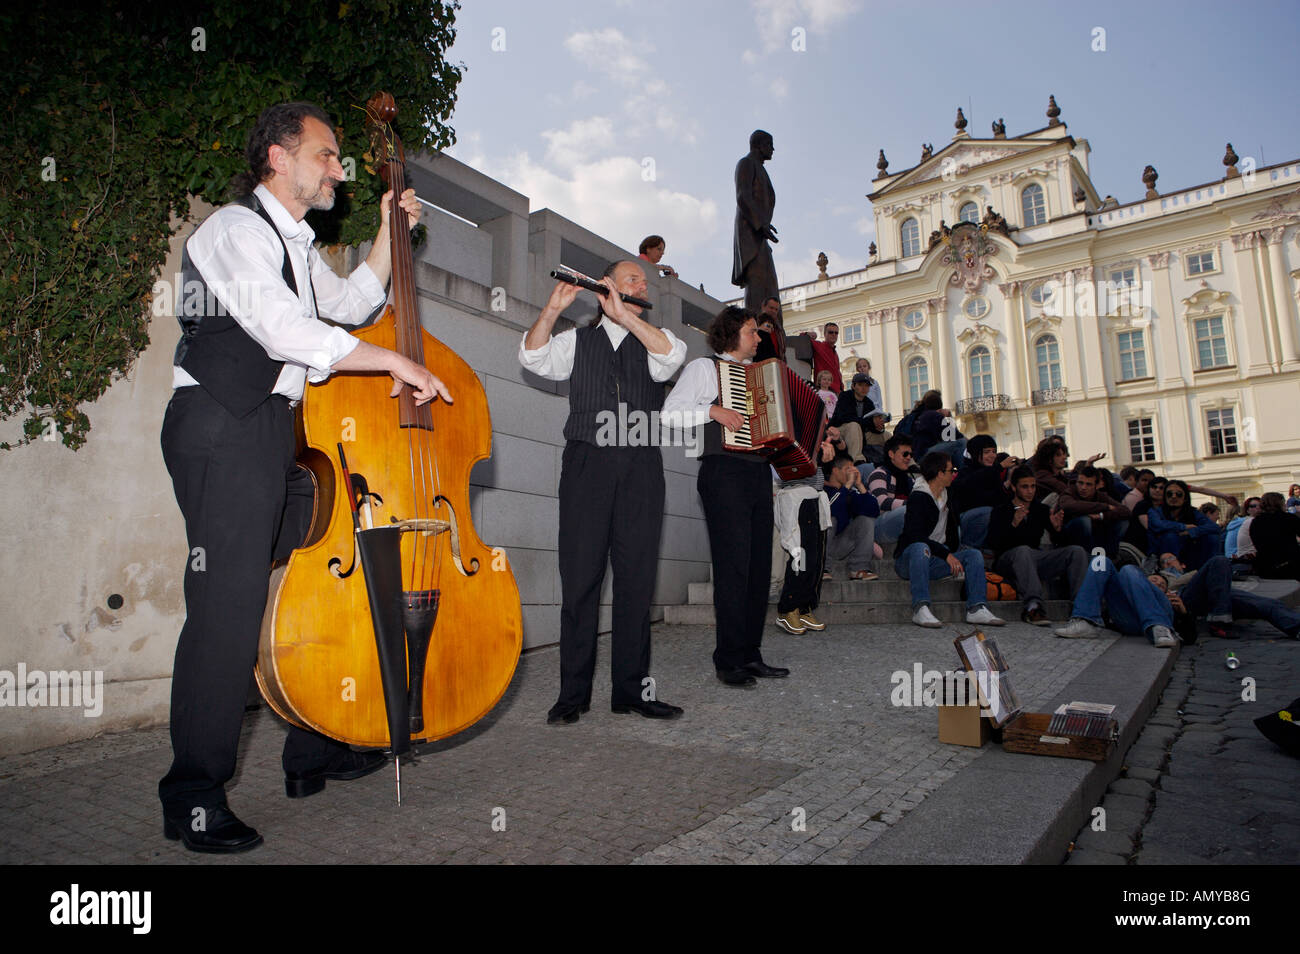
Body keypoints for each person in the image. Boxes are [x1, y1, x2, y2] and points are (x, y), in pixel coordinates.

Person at [159, 102, 453, 853]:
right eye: (325, 155)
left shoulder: (296, 247)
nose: (337, 168)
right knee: (227, 612)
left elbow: (352, 305)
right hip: (223, 427)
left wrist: (390, 235)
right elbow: (283, 331)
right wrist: (393, 359)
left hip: (279, 435)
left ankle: (312, 747)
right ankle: (193, 796)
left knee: (311, 592)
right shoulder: (233, 230)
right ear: (277, 158)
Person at [521, 259, 688, 724]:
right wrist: (552, 311)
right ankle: (572, 695)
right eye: (633, 279)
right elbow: (532, 357)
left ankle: (631, 692)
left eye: (644, 282)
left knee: (636, 581)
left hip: (639, 465)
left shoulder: (654, 342)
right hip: (586, 464)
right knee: (580, 581)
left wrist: (626, 317)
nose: (642, 285)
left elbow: (672, 358)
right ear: (608, 285)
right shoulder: (576, 340)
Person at [662, 306, 790, 687]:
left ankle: (750, 654)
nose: (758, 338)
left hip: (756, 473)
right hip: (723, 473)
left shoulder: (761, 377)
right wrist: (712, 410)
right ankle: (728, 659)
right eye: (752, 331)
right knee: (733, 568)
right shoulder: (704, 369)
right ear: (732, 334)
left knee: (757, 570)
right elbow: (670, 413)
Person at [894, 451, 1004, 628]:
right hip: (909, 560)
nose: (954, 473)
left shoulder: (948, 495)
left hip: (935, 560)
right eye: (950, 469)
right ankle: (920, 608)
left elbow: (972, 486)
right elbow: (914, 536)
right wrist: (945, 554)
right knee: (920, 547)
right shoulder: (918, 497)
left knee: (974, 555)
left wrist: (950, 552)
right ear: (939, 473)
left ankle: (976, 608)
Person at [986, 466, 1087, 625]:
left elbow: (1061, 542)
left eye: (1033, 486)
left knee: (1076, 552)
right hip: (1008, 560)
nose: (1030, 491)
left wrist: (1057, 529)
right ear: (1014, 487)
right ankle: (1033, 607)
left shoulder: (1040, 509)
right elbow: (993, 543)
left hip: (1035, 557)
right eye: (1024, 487)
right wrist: (1013, 524)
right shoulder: (1001, 510)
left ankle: (1082, 608)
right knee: (1023, 551)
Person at [773, 435, 836, 635]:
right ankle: (788, 609)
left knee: (816, 558)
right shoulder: (786, 428)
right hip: (795, 494)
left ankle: (804, 608)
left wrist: (824, 453)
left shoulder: (815, 429)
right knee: (800, 556)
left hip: (815, 494)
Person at [1054, 558, 1182, 648]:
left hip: (1161, 615)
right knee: (1101, 562)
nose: (1157, 584)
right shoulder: (1134, 581)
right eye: (1154, 580)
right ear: (1143, 579)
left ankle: (1160, 627)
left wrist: (1183, 611)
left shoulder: (1167, 597)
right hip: (1130, 619)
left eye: (1161, 585)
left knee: (1128, 569)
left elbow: (1191, 634)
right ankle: (1084, 620)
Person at [732, 130, 778, 314]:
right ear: (759, 145)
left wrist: (764, 225)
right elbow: (743, 196)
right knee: (757, 282)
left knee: (770, 284)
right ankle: (755, 323)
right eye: (769, 144)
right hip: (750, 233)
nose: (773, 149)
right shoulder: (746, 163)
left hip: (759, 235)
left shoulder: (760, 168)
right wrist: (760, 223)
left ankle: (773, 327)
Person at [823, 453, 881, 582]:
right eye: (847, 470)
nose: (852, 473)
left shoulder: (851, 492)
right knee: (830, 519)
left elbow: (874, 511)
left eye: (853, 469)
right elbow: (829, 510)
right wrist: (847, 486)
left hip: (840, 545)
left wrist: (860, 485)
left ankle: (859, 569)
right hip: (820, 545)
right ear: (835, 470)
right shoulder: (822, 489)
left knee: (866, 520)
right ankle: (822, 568)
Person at [949, 434, 1014, 549]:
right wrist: (999, 467)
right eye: (986, 452)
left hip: (987, 526)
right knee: (986, 512)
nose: (992, 456)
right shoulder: (966, 472)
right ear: (975, 453)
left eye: (994, 451)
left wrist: (1009, 484)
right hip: (966, 522)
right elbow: (972, 484)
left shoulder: (993, 474)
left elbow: (998, 499)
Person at [1146, 479, 1222, 570]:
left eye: (1178, 494)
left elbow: (1214, 527)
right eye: (1169, 494)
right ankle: (1172, 573)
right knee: (1170, 536)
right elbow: (1158, 525)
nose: (1173, 497)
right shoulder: (1155, 512)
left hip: (1190, 554)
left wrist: (1191, 532)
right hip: (1163, 554)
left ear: (1185, 498)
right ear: (1165, 497)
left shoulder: (1193, 512)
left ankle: (1210, 572)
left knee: (1211, 537)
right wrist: (1183, 527)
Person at [1058, 465, 1130, 559]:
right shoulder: (1070, 491)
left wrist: (1102, 515)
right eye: (1080, 483)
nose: (1083, 487)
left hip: (1097, 537)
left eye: (1088, 484)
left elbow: (1126, 511)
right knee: (1084, 521)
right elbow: (1069, 505)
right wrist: (1104, 506)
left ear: (1096, 486)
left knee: (1123, 522)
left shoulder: (1100, 496)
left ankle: (1110, 556)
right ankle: (1089, 558)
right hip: (1069, 536)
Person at [866, 434, 914, 545]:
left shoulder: (909, 480)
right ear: (891, 454)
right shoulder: (879, 474)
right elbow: (881, 502)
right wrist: (911, 504)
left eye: (911, 454)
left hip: (899, 524)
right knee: (909, 510)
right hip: (877, 525)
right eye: (905, 454)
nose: (909, 458)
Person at [829, 372, 879, 463]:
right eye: (860, 385)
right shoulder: (845, 396)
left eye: (867, 386)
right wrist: (869, 422)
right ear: (853, 386)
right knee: (854, 425)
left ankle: (901, 462)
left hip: (860, 432)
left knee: (885, 435)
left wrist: (878, 426)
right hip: (840, 430)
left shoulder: (869, 403)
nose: (864, 388)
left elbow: (869, 424)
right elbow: (845, 418)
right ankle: (856, 459)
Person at [1249, 492, 1300, 580]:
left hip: (1265, 567)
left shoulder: (1256, 522)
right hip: (1290, 566)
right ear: (1279, 504)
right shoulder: (1289, 519)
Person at [910, 390, 965, 462]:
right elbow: (955, 436)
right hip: (923, 455)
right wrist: (949, 416)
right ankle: (963, 471)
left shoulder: (917, 414)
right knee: (961, 442)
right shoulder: (933, 415)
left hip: (915, 454)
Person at [806, 322, 844, 392]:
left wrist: (841, 388)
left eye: (836, 333)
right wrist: (808, 334)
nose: (834, 335)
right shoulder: (819, 346)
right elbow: (802, 337)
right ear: (824, 334)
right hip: (825, 389)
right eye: (830, 332)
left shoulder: (835, 353)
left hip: (837, 391)